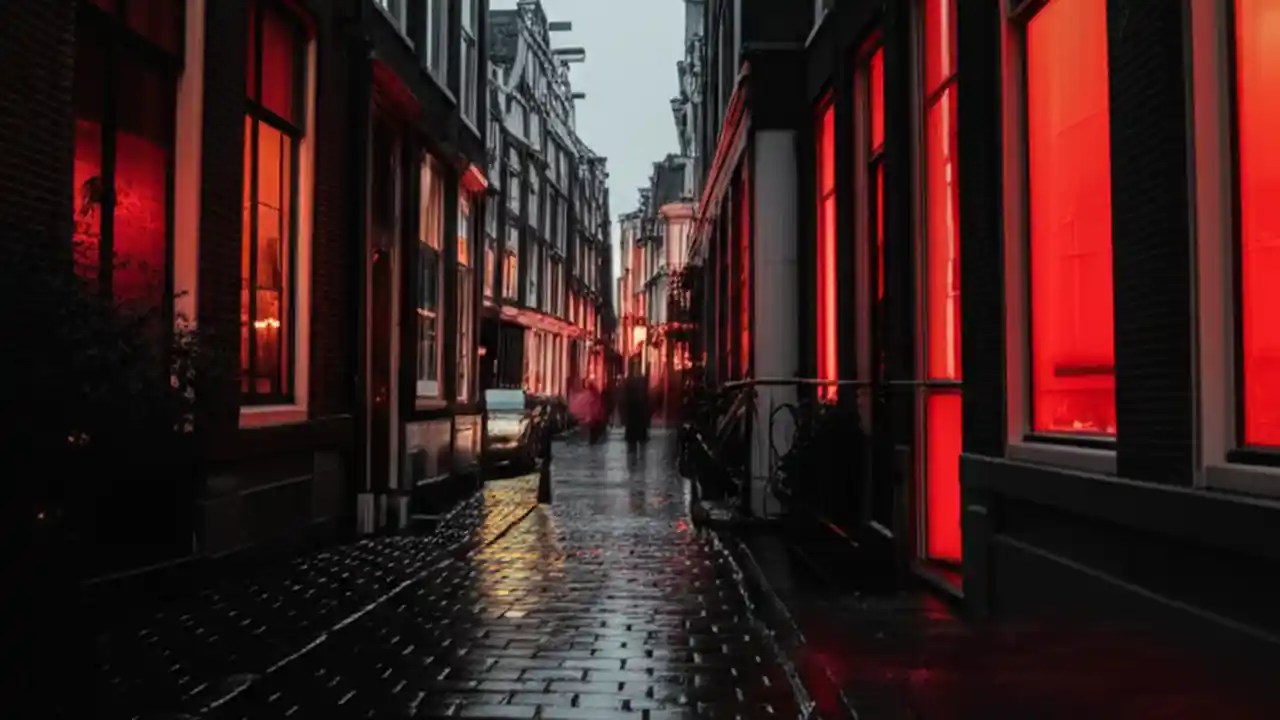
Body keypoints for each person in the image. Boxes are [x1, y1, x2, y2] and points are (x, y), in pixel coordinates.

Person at [623, 374, 652, 455]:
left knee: (632, 445)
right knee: (640, 447)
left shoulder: (630, 396)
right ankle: (638, 456)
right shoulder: (642, 396)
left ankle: (632, 455)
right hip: (639, 422)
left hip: (633, 423)